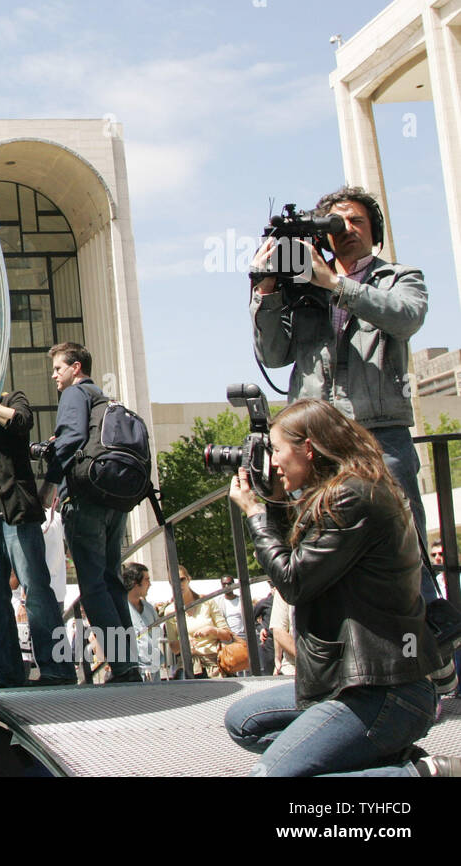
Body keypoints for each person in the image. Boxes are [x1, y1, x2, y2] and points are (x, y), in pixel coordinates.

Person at [250, 185, 461, 653]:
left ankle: (433, 654)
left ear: (374, 233)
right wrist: (265, 289)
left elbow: (406, 318)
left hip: (379, 431)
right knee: (320, 545)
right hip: (314, 441)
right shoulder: (299, 286)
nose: (344, 230)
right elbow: (273, 352)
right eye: (335, 223)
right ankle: (338, 658)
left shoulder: (397, 277)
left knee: (403, 545)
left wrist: (335, 284)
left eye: (356, 222)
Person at [224, 399, 453, 776]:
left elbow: (294, 582)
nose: (273, 461)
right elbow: (303, 570)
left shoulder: (352, 498)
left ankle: (418, 774)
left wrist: (257, 514)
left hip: (385, 690)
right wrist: (276, 503)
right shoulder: (344, 493)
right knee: (244, 721)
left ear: (309, 449)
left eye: (277, 450)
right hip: (352, 681)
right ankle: (386, 758)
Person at [39, 342, 140, 683]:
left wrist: (49, 485)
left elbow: (70, 439)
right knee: (112, 582)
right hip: (114, 500)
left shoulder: (74, 394)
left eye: (58, 369)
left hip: (84, 500)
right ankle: (130, 664)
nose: (54, 376)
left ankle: (122, 664)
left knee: (93, 585)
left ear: (76, 368)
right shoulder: (105, 398)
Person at [0, 390, 72, 688]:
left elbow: (22, 421)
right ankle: (5, 674)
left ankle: (58, 670)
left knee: (36, 590)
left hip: (16, 514)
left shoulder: (12, 399)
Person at [163, 566, 234, 678]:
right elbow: (174, 648)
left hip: (215, 664)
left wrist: (212, 630)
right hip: (188, 666)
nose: (179, 584)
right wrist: (184, 643)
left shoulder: (207, 602)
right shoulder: (170, 610)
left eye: (181, 579)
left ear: (188, 579)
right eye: (174, 581)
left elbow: (228, 636)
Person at [122, 562, 161, 681]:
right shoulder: (121, 610)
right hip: (134, 673)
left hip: (154, 671)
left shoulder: (149, 609)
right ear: (135, 582)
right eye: (147, 580)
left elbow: (156, 638)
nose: (150, 584)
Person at [217, 576, 247, 642]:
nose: (226, 586)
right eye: (224, 584)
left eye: (229, 584)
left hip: (243, 637)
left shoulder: (242, 601)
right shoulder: (218, 602)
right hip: (227, 638)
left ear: (234, 584)